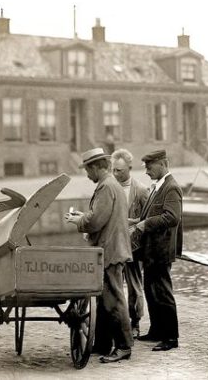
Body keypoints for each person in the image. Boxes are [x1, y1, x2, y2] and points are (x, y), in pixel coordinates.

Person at [65, 147, 134, 363]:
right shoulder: (111, 185)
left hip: (110, 251)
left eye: (88, 170)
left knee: (114, 299)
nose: (87, 175)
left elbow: (95, 221)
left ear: (96, 167)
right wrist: (84, 216)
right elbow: (99, 217)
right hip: (111, 249)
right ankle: (103, 343)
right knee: (103, 300)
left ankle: (124, 346)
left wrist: (78, 220)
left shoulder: (106, 187)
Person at [131, 149, 183, 352]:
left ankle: (171, 337)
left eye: (149, 166)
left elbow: (172, 217)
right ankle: (156, 331)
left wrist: (145, 224)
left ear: (163, 164)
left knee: (163, 292)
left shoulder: (171, 187)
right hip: (151, 250)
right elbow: (152, 215)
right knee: (151, 290)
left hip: (161, 250)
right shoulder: (157, 187)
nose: (146, 171)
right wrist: (136, 221)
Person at [111, 148, 150, 339]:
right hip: (113, 246)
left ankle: (135, 323)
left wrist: (134, 224)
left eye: (119, 170)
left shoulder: (141, 191)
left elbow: (148, 219)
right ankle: (117, 323)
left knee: (134, 286)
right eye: (114, 170)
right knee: (113, 286)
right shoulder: (110, 187)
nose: (116, 174)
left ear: (130, 168)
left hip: (133, 248)